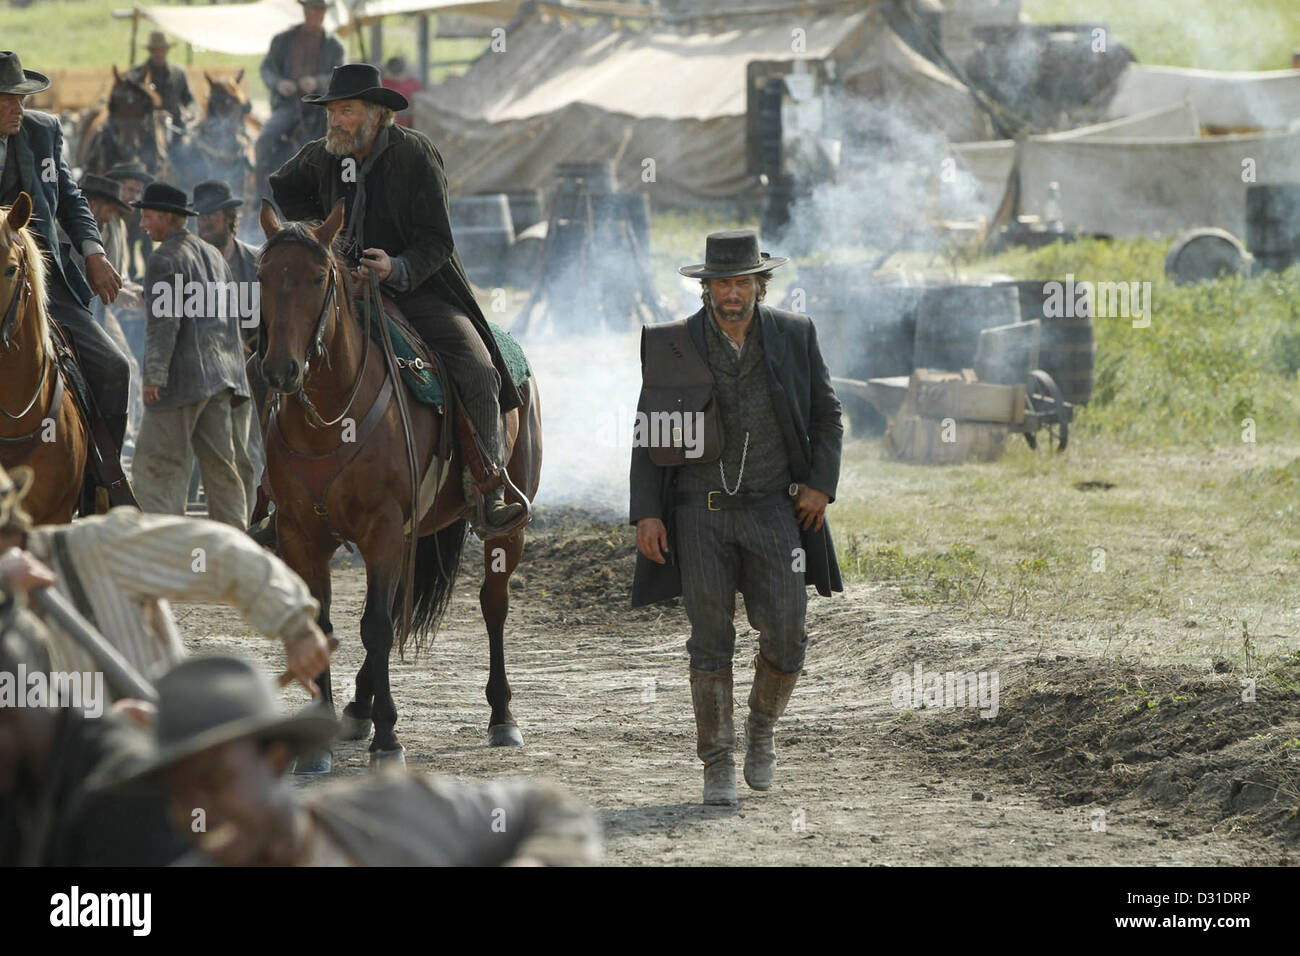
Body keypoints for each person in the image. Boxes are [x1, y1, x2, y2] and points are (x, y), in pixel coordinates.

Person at [628, 229, 844, 806]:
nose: (731, 292)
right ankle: (718, 762)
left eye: (741, 281)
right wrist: (648, 514)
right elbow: (649, 432)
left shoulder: (795, 336)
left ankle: (762, 729)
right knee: (710, 640)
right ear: (705, 288)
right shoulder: (673, 344)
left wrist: (821, 485)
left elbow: (828, 415)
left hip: (776, 509)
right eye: (721, 282)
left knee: (789, 632)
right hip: (698, 513)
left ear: (759, 284)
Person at [269, 63, 528, 536]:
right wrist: (321, 241)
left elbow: (438, 241)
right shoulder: (322, 156)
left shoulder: (416, 155)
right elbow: (281, 187)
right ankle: (275, 495)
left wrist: (396, 267)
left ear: (376, 114)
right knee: (274, 356)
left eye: (345, 111)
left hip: (422, 291)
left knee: (478, 367)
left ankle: (487, 487)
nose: (335, 121)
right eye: (331, 111)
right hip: (342, 293)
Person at [115, 654, 603, 866]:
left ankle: (491, 489)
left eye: (215, 780)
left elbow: (547, 807)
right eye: (178, 794)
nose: (198, 810)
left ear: (275, 762)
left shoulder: (393, 812)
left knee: (479, 444)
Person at [0, 51, 131, 477]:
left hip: (46, 280)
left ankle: (102, 478)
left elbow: (71, 199)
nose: (18, 108)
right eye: (7, 99)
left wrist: (93, 252)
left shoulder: (43, 131)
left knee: (114, 369)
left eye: (22, 98)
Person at [131, 181, 250, 528]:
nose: (142, 224)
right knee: (221, 470)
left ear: (168, 218)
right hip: (223, 378)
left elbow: (164, 324)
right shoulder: (213, 254)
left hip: (181, 380)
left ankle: (166, 550)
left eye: (148, 216)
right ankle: (235, 547)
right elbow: (231, 320)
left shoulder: (164, 257)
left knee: (158, 467)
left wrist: (154, 375)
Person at [194, 179, 264, 521]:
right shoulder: (186, 265)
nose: (206, 222)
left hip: (249, 377)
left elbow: (278, 319)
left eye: (213, 215)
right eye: (201, 216)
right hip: (198, 376)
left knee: (247, 458)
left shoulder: (257, 263)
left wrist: (254, 345)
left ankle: (245, 529)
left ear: (229, 218)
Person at [256, 0, 345, 185]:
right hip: (290, 103)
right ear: (305, 11)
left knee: (343, 145)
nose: (317, 15)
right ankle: (260, 192)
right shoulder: (283, 40)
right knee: (264, 139)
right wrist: (279, 83)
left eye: (321, 11)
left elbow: (342, 74)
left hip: (324, 106)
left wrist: (317, 82)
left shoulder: (334, 45)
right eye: (313, 10)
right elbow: (267, 68)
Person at [126, 31, 195, 141]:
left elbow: (189, 100)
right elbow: (128, 105)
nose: (158, 53)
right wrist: (153, 115)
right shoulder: (136, 73)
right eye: (155, 50)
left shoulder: (178, 73)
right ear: (150, 51)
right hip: (145, 133)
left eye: (161, 50)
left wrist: (189, 112)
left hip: (176, 130)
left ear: (167, 50)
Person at [105, 161, 154, 282]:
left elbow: (121, 275)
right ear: (116, 188)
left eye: (138, 192)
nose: (135, 198)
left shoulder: (121, 223)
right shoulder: (104, 221)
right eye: (130, 190)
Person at [381, 55, 422, 127]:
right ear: (387, 71)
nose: (396, 78)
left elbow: (421, 102)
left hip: (411, 127)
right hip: (390, 127)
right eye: (393, 74)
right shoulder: (382, 85)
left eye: (399, 74)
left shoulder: (414, 84)